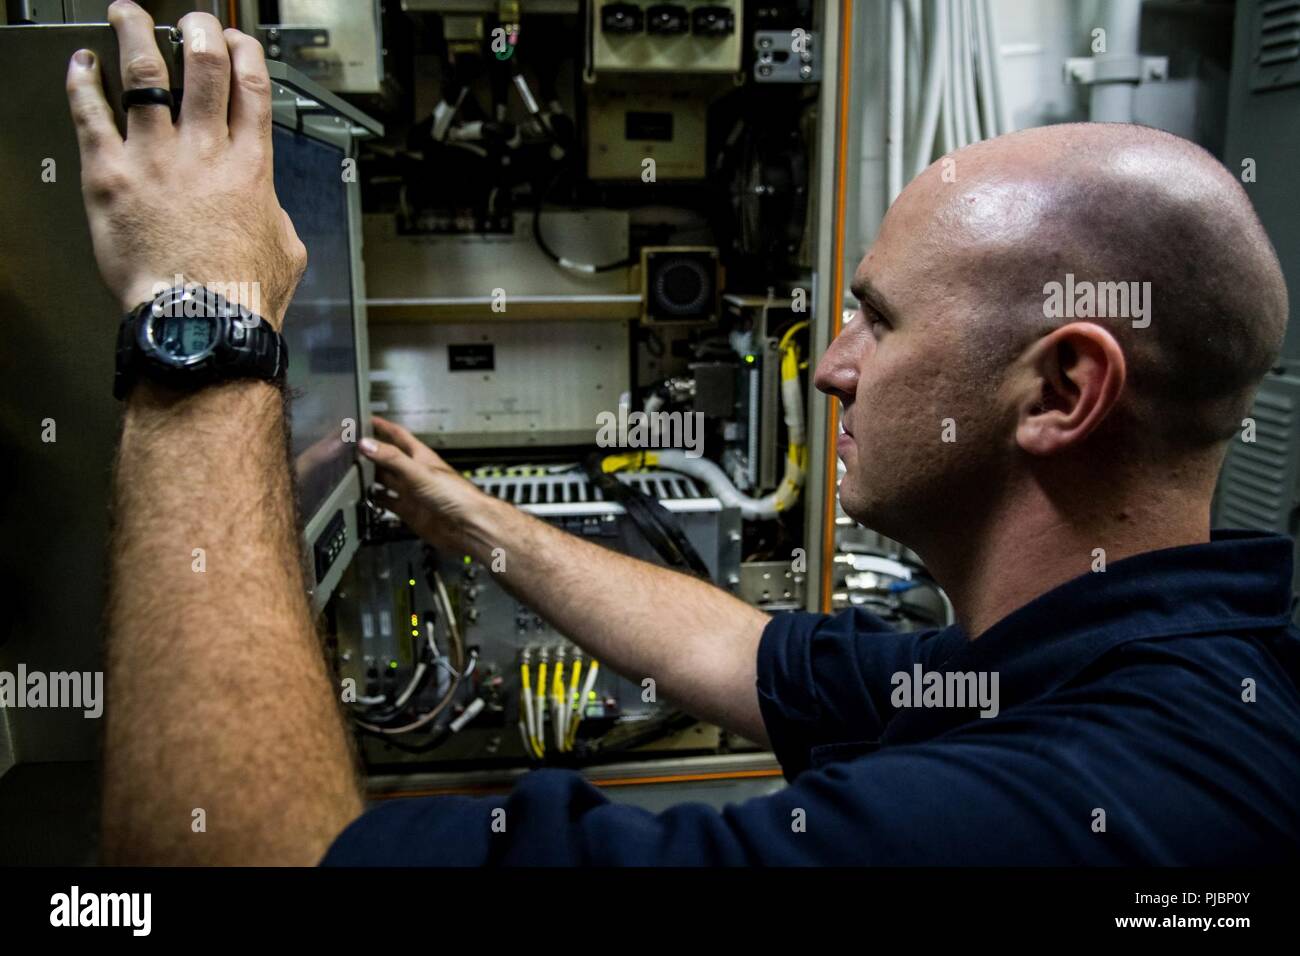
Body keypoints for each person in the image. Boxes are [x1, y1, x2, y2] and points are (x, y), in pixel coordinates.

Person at [71, 1, 1300, 866]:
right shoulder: (1076, 658)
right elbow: (740, 652)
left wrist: (202, 313)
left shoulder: (1076, 805)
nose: (829, 367)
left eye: (876, 319)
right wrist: (468, 516)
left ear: (1059, 393)